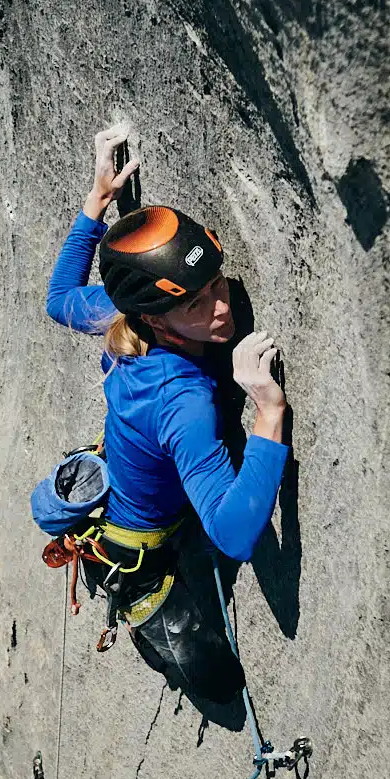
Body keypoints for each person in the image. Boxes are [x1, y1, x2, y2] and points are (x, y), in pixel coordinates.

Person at [45, 120, 289, 711]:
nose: (222, 309)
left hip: (134, 492)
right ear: (157, 319)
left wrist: (97, 203)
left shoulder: (123, 314)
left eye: (216, 285)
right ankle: (143, 613)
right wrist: (269, 412)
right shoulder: (185, 403)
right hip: (139, 554)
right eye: (198, 304)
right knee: (218, 686)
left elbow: (58, 300)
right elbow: (233, 533)